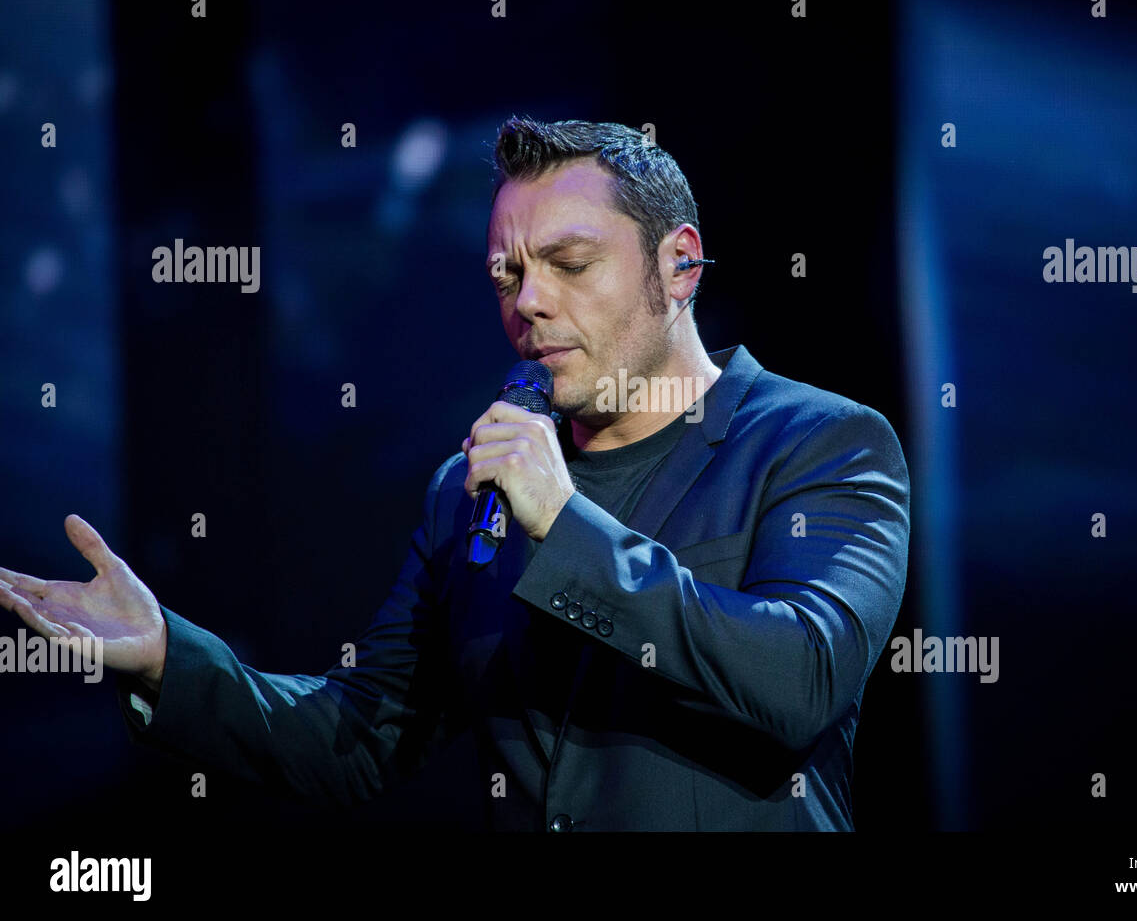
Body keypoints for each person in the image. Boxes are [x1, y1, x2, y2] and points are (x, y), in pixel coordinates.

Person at [0, 116, 910, 831]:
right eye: (506, 274)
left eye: (569, 264)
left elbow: (802, 678)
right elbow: (358, 735)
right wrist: (167, 655)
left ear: (679, 264)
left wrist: (566, 524)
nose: (530, 301)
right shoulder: (470, 491)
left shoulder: (817, 442)